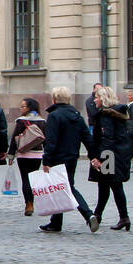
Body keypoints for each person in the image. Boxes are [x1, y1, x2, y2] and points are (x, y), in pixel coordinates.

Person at [41, 86, 99, 233]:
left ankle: (88, 214)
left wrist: (46, 160)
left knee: (67, 188)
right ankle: (55, 222)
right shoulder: (77, 116)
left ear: (54, 99)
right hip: (72, 156)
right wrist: (94, 156)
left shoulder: (54, 116)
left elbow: (51, 141)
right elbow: (87, 138)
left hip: (57, 158)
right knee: (61, 187)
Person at [88, 85, 133, 231]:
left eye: (96, 97)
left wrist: (99, 158)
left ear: (103, 98)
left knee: (113, 185)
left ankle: (119, 217)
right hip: (116, 154)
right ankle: (100, 215)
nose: (94, 100)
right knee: (107, 185)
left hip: (110, 156)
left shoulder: (106, 115)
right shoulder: (115, 113)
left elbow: (107, 138)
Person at [7, 98, 46, 216]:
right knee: (33, 179)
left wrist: (11, 155)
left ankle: (29, 204)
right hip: (37, 154)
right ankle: (32, 202)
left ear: (29, 108)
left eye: (22, 106)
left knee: (25, 179)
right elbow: (46, 139)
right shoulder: (42, 121)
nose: (21, 109)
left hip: (23, 154)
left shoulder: (21, 121)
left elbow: (14, 139)